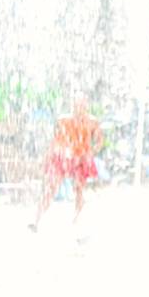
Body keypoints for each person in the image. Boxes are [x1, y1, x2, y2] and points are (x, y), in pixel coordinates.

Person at [30, 98, 102, 231]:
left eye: (82, 106)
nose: (79, 110)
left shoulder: (92, 122)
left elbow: (99, 142)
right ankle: (36, 220)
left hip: (81, 157)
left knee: (79, 189)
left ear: (86, 107)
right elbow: (56, 141)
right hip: (65, 157)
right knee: (51, 187)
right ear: (73, 107)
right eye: (76, 106)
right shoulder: (64, 121)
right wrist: (49, 156)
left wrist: (89, 153)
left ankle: (76, 221)